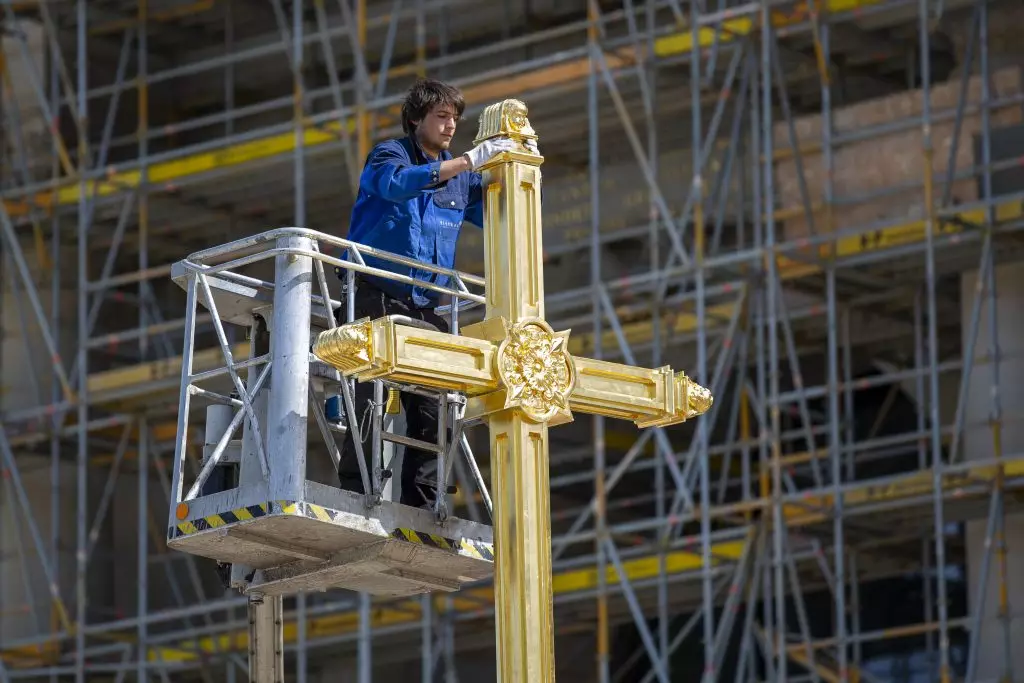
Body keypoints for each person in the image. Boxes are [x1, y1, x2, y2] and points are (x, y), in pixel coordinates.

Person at [329, 78, 533, 509]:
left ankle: (420, 502)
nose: (450, 126)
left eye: (455, 119)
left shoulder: (460, 182)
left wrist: (520, 170)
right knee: (371, 392)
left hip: (424, 301)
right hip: (375, 293)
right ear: (416, 119)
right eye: (441, 117)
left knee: (438, 398)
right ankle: (358, 490)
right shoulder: (390, 155)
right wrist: (465, 163)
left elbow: (500, 208)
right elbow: (396, 185)